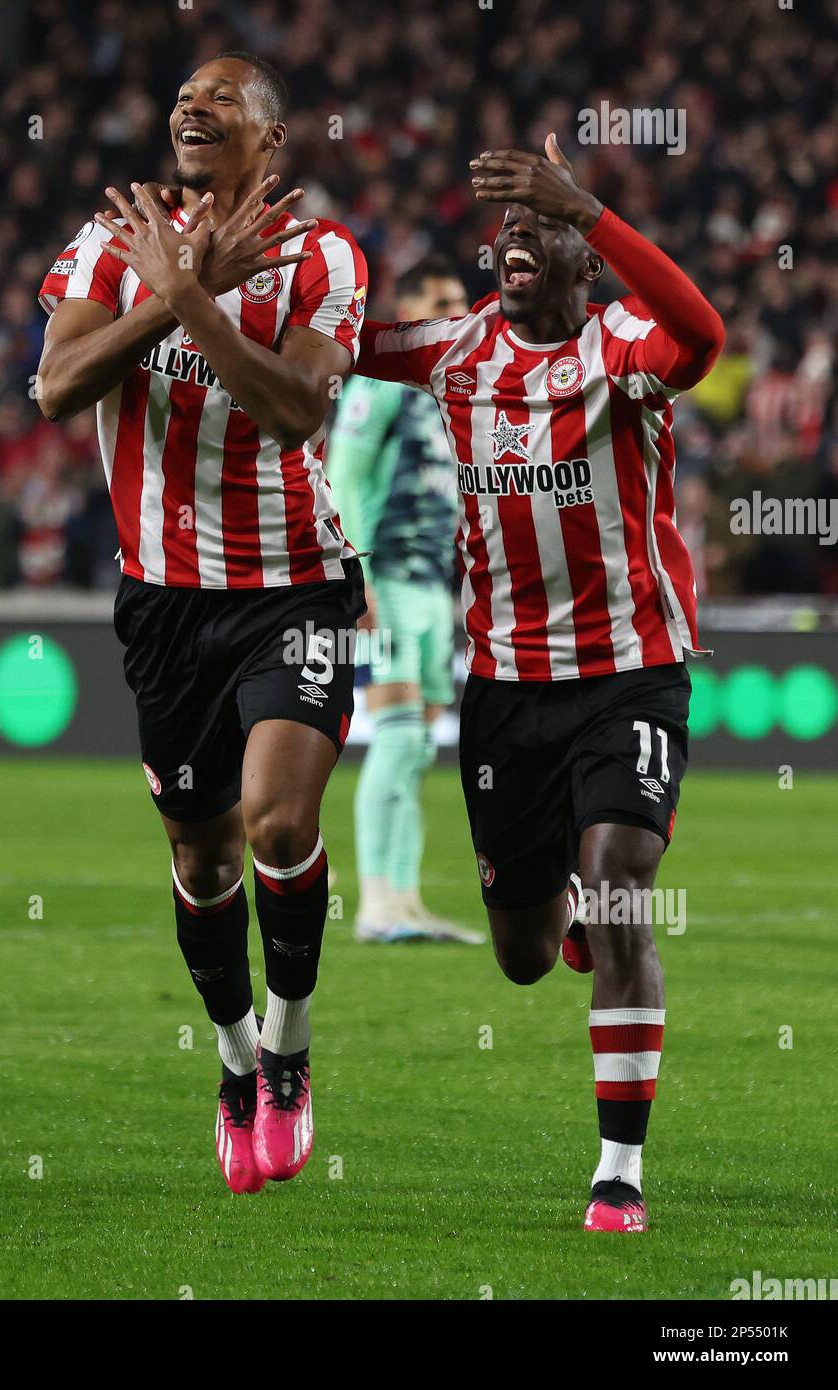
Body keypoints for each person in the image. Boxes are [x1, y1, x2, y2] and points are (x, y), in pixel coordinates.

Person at [354, 137, 725, 1231]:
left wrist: (591, 204)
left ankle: (619, 1170)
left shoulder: (626, 351)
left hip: (632, 675)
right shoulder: (457, 350)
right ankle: (551, 897)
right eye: (505, 230)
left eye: (541, 227)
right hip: (506, 689)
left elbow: (705, 332)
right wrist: (215, 289)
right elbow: (351, 345)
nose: (514, 239)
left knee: (619, 891)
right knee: (522, 955)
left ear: (584, 259)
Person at [36, 53, 368, 1194]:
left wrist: (189, 302)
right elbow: (57, 383)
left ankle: (290, 1047)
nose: (191, 106)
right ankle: (232, 1063)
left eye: (221, 98)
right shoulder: (107, 243)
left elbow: (294, 410)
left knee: (278, 824)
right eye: (183, 96)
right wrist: (165, 288)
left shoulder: (326, 258)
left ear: (269, 140)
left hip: (295, 585)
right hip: (166, 602)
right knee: (203, 850)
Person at [327, 256, 482, 945]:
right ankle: (375, 903)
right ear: (411, 304)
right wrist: (356, 577)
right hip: (384, 579)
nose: (458, 314)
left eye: (462, 301)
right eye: (443, 300)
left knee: (417, 745)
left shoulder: (446, 385)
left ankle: (407, 897)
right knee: (393, 739)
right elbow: (345, 471)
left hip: (430, 588)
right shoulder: (379, 381)